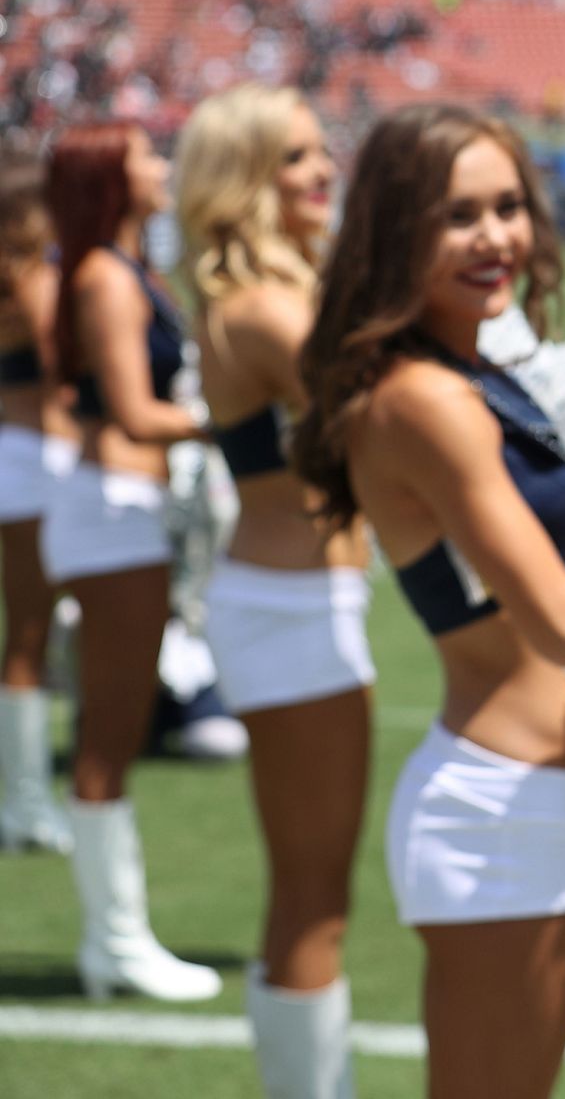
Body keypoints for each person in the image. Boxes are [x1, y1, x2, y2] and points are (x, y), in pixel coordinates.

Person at [292, 104, 565, 1099]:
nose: (497, 236)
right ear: (393, 227)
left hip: (527, 802)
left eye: (510, 206)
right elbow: (562, 618)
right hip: (492, 814)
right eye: (457, 214)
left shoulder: (466, 371)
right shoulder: (424, 398)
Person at [176, 84, 370, 1096]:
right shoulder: (263, 308)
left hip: (298, 600)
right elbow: (376, 410)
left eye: (318, 150)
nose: (321, 170)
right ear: (245, 180)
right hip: (293, 610)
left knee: (315, 889)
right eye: (294, 158)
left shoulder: (277, 292)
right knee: (310, 895)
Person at [42, 121, 219, 1001]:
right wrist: (240, 416)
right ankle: (113, 940)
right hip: (112, 508)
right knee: (109, 738)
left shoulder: (123, 266)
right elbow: (136, 414)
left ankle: (116, 936)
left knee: (116, 730)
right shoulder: (108, 278)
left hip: (124, 511)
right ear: (111, 178)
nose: (161, 166)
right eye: (146, 156)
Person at [0, 151, 78, 853]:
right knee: (29, 640)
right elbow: (65, 379)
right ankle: (24, 803)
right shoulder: (34, 278)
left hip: (12, 460)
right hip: (34, 462)